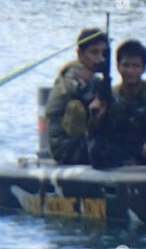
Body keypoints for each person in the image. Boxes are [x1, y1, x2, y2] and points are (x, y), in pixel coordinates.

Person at [88, 39, 146, 168]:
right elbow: (95, 135)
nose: (130, 71)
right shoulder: (110, 96)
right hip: (120, 156)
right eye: (126, 65)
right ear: (118, 67)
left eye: (136, 66)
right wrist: (96, 117)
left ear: (143, 68)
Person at [45, 26, 109, 164]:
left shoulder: (92, 79)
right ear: (80, 54)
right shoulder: (74, 80)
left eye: (104, 53)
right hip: (68, 150)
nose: (100, 58)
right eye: (94, 52)